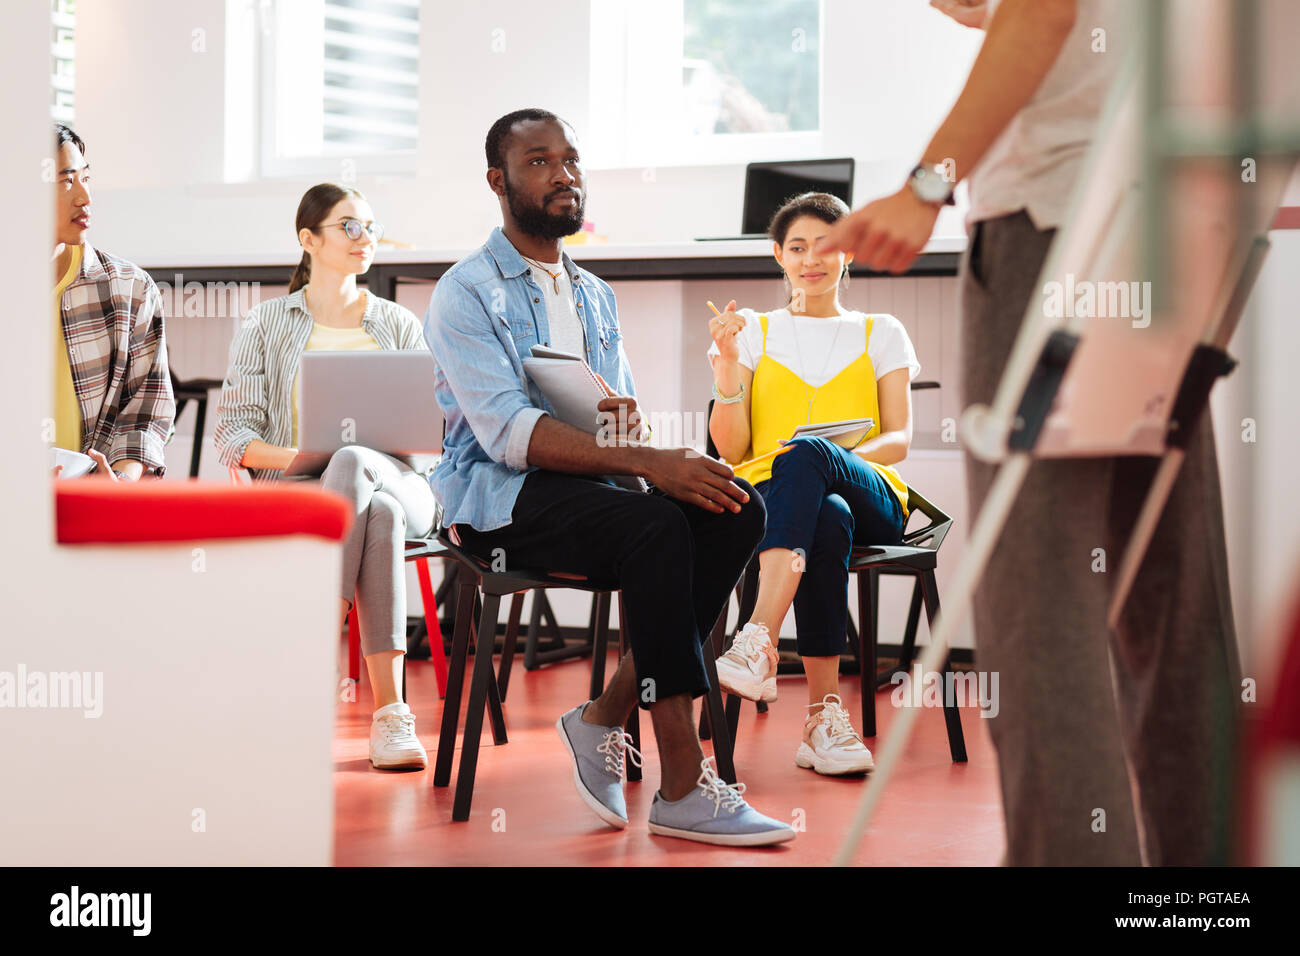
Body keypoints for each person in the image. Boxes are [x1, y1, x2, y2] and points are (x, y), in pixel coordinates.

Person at [820, 0, 1240, 865]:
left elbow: (1048, 10)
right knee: (1173, 604)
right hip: (1167, 222)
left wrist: (926, 184)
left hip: (1054, 230)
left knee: (1039, 612)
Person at [424, 108, 795, 845]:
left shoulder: (594, 294)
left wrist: (664, 463)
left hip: (595, 492)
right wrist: (647, 465)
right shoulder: (465, 292)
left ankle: (601, 717)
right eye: (538, 162)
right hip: (497, 502)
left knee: (736, 508)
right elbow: (505, 434)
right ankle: (683, 784)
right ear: (498, 181)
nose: (563, 174)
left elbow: (618, 421)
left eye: (570, 159)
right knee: (656, 526)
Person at [214, 183, 435, 772]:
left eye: (370, 226)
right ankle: (391, 716)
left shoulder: (399, 324)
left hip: (405, 482)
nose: (366, 238)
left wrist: (344, 459)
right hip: (314, 490)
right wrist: (307, 457)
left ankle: (310, 653)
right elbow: (233, 437)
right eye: (350, 226)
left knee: (358, 462)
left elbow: (429, 440)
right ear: (308, 240)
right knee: (368, 501)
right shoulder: (265, 325)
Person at [707, 192, 920, 776]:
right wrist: (727, 371)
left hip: (873, 490)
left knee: (810, 458)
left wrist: (830, 457)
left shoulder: (882, 331)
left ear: (848, 253)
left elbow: (899, 438)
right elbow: (730, 448)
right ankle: (824, 721)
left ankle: (757, 638)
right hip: (777, 503)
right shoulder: (752, 331)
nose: (812, 259)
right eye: (797, 247)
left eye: (826, 246)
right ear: (779, 255)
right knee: (825, 517)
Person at [50, 124, 174, 480]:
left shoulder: (128, 288)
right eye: (65, 181)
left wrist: (119, 482)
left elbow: (144, 416)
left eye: (85, 178)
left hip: (89, 505)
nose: (84, 197)